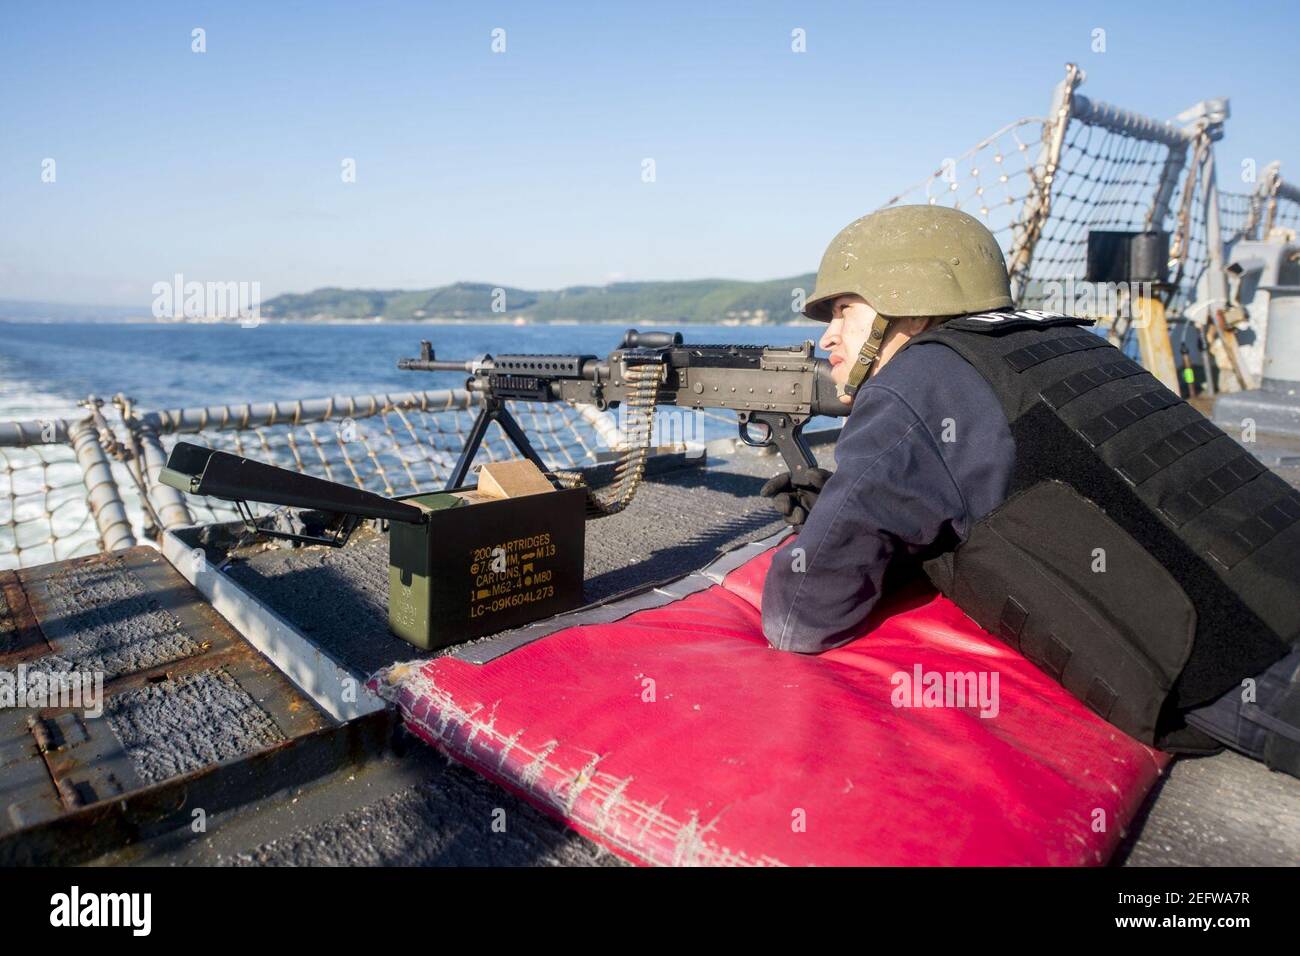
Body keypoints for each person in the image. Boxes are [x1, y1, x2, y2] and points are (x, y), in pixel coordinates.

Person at [760, 204, 1300, 777]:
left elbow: (799, 616)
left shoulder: (912, 386)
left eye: (846, 310)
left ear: (911, 313)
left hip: (1243, 658)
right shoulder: (1060, 339)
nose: (826, 337)